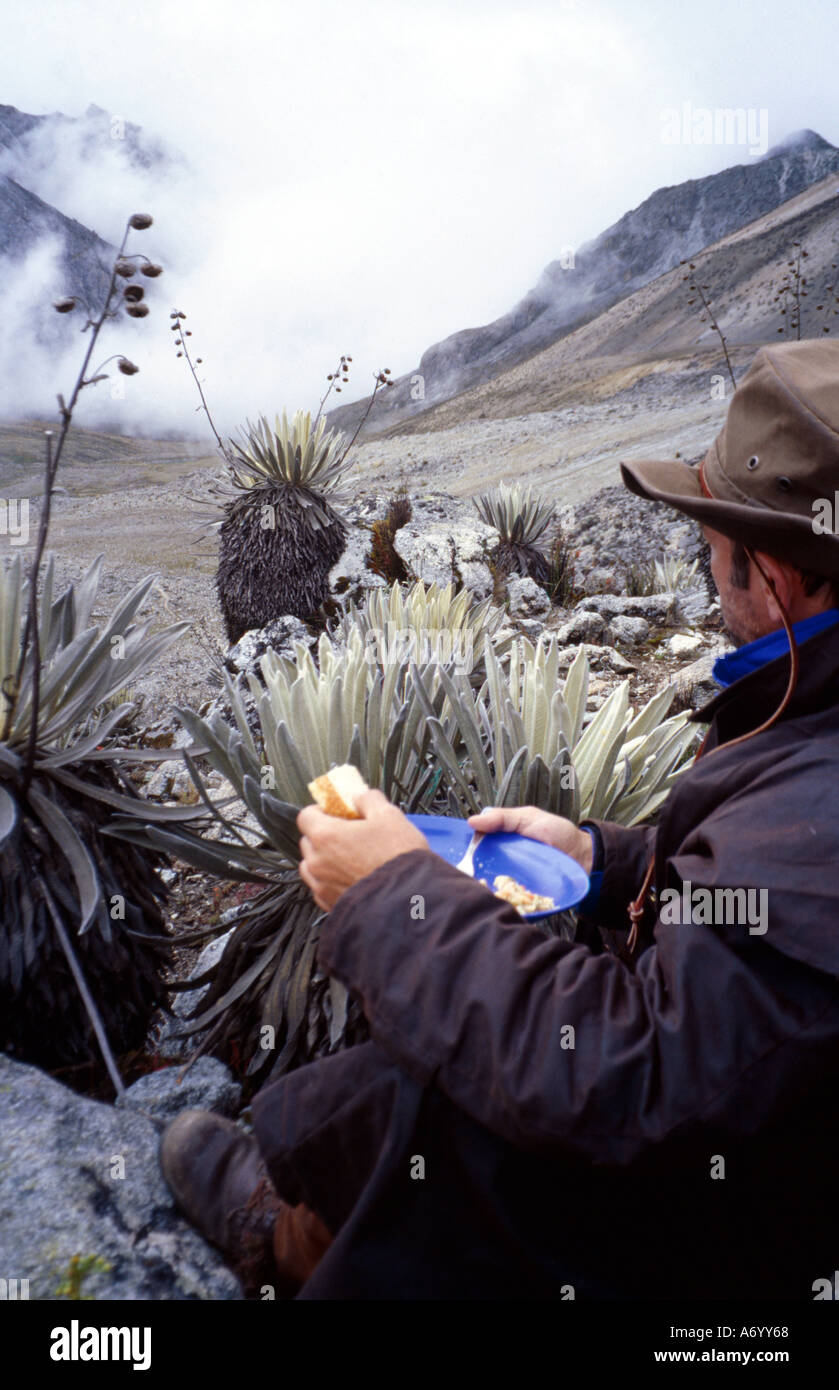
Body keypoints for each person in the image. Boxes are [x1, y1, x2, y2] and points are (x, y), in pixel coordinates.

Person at [161, 339, 839, 1300]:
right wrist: (605, 859)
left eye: (713, 539)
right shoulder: (808, 713)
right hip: (772, 1138)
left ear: (775, 572)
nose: (706, 562)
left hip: (731, 1218)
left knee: (442, 1107)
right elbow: (766, 908)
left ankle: (286, 1243)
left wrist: (392, 893)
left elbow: (628, 1076)